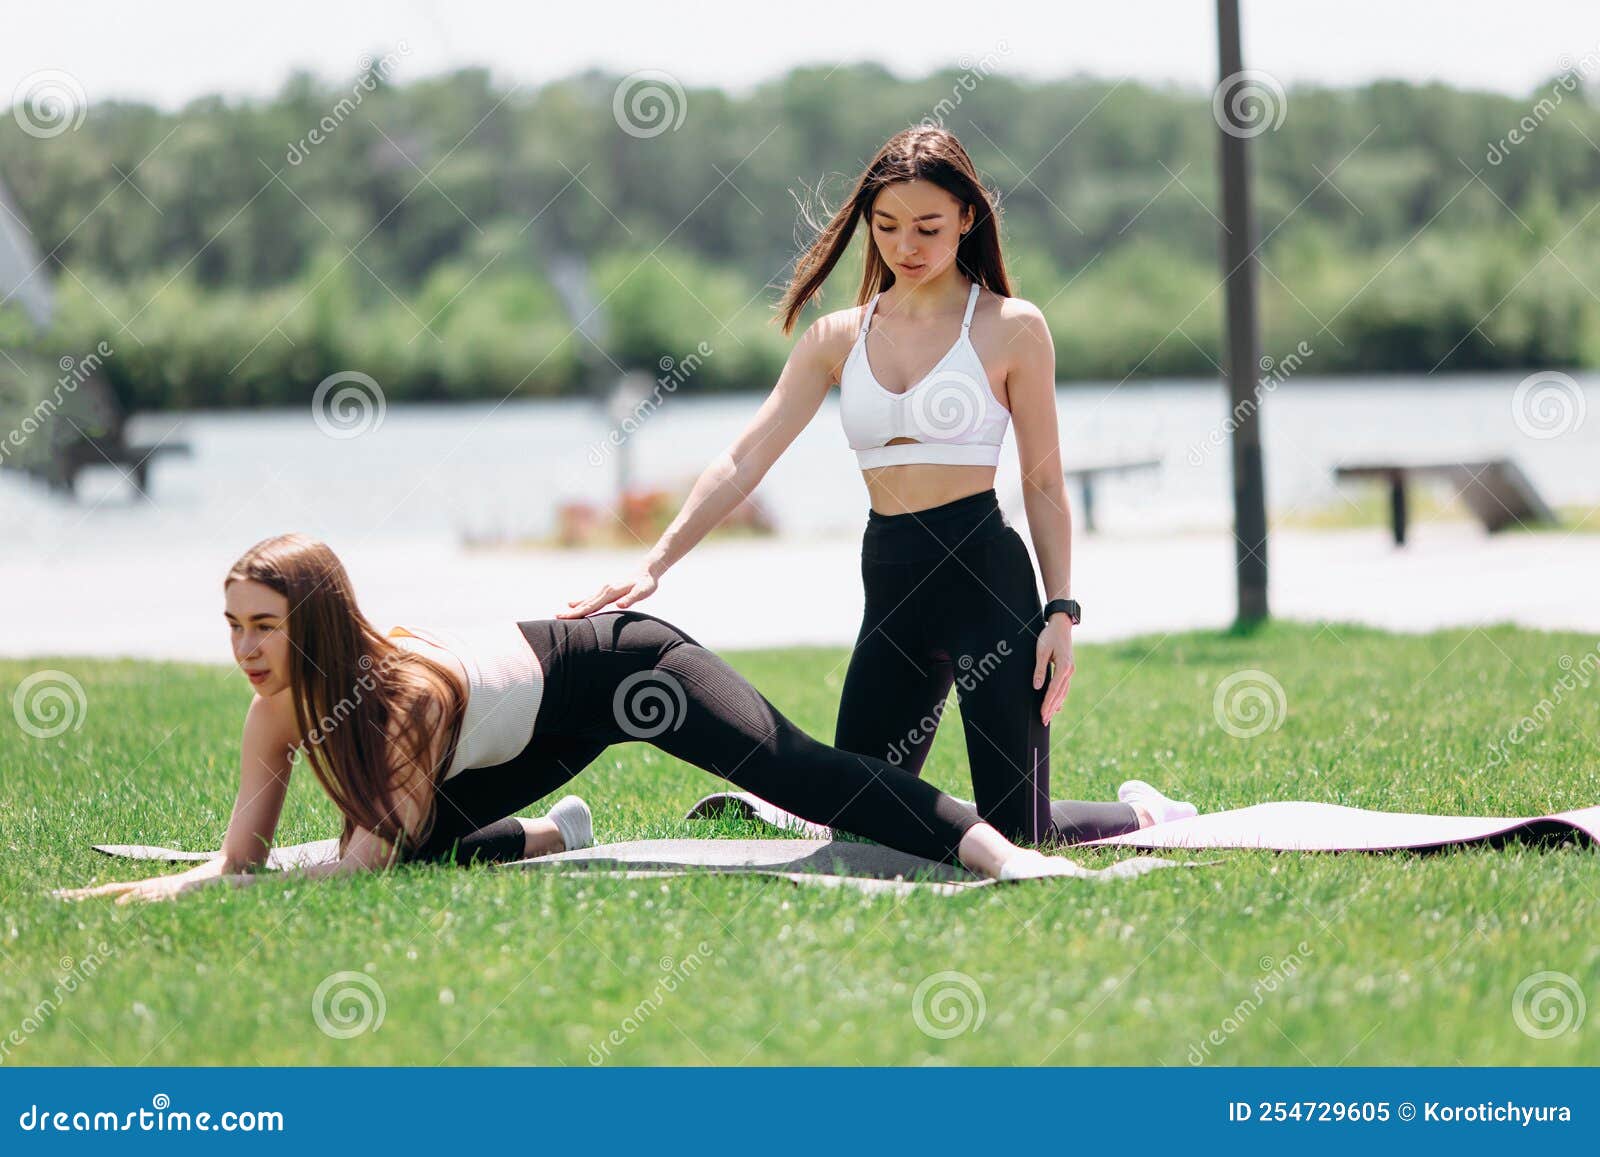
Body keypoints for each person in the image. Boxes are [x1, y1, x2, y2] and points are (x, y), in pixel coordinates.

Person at [558, 124, 1195, 844]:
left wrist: (1061, 612)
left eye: (928, 226)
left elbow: (1043, 479)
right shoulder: (837, 337)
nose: (906, 245)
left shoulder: (1011, 327)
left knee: (1020, 831)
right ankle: (924, 810)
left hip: (986, 581)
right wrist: (655, 562)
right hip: (891, 583)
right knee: (857, 829)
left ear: (967, 217)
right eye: (887, 226)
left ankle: (1147, 811)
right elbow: (745, 457)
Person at [58, 534, 1175, 906]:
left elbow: (349, 870)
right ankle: (557, 831)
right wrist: (132, 891)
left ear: (315, 622)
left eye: (263, 624)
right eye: (231, 623)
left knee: (805, 773)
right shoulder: (272, 713)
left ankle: (1001, 853)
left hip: (619, 667)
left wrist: (292, 865)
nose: (244, 647)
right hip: (527, 728)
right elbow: (239, 865)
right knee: (419, 844)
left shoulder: (395, 702)